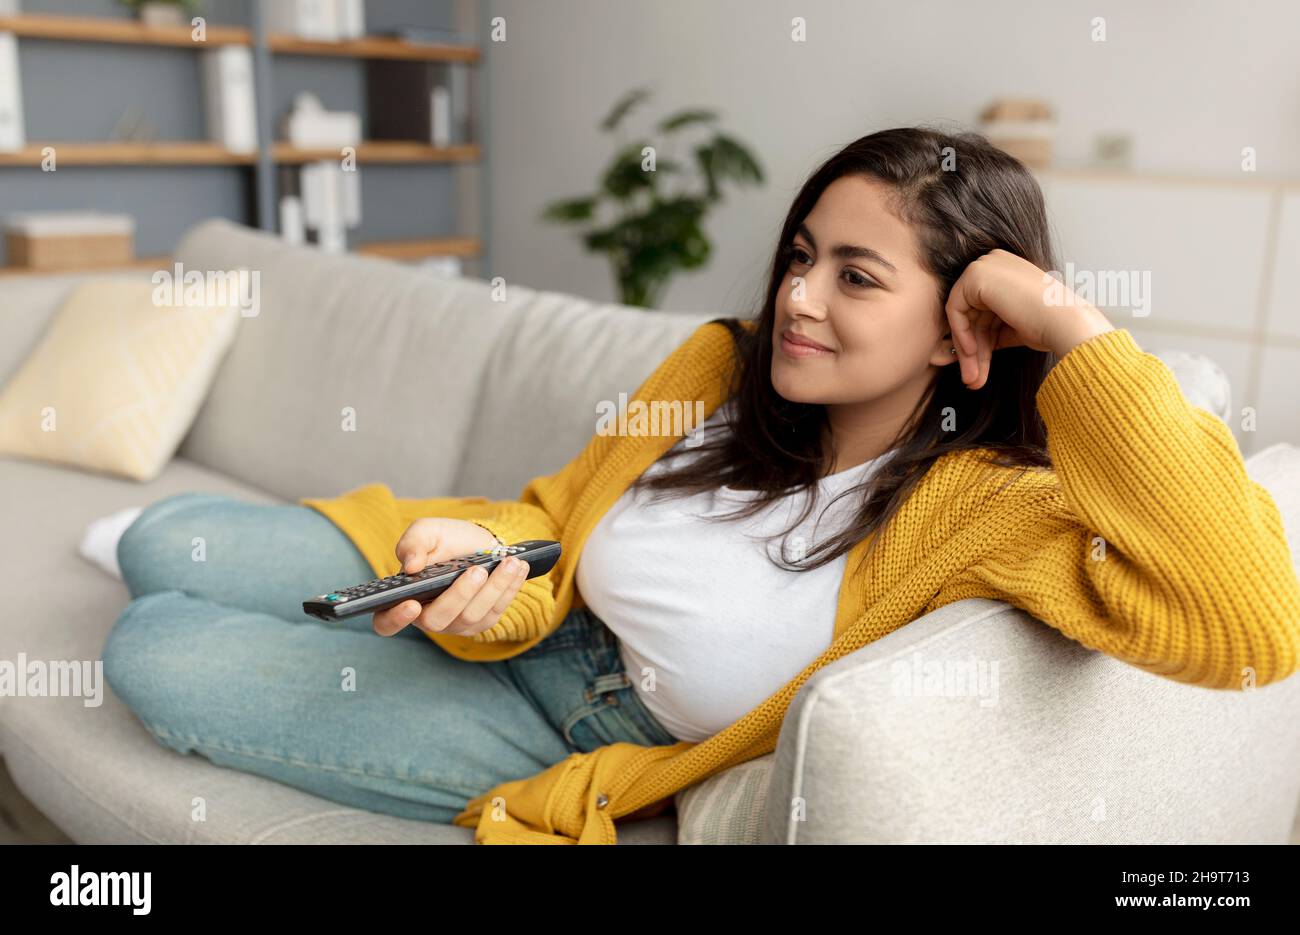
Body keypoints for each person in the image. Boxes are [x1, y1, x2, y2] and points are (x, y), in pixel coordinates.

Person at [102, 127, 1300, 844]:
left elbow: (1253, 627)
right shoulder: (721, 364)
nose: (799, 297)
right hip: (538, 611)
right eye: (800, 254)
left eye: (857, 276)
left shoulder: (992, 504)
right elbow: (560, 513)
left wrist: (1063, 320)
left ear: (956, 325)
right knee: (167, 537)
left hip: (585, 721)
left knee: (155, 647)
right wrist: (487, 561)